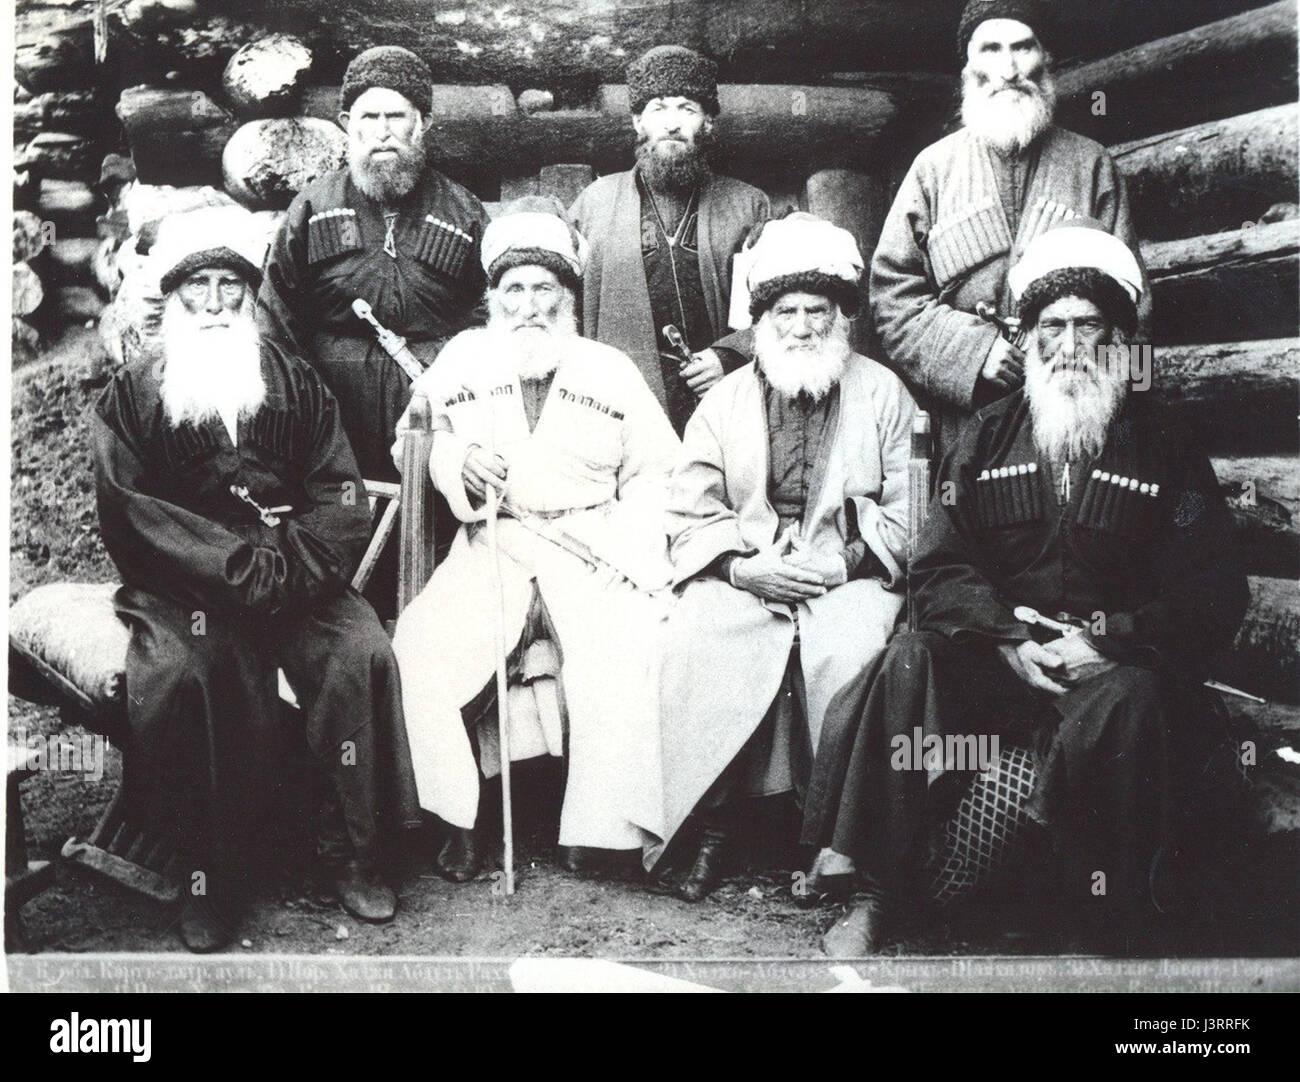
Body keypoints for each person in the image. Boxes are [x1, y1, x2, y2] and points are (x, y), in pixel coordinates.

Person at [808, 222, 1249, 956]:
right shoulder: (982, 436)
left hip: (1112, 671)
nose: (1070, 345)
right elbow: (938, 568)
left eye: (1088, 327)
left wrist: (1108, 642)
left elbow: (1212, 588)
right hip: (1003, 663)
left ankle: (1097, 911)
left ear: (1117, 338)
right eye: (1052, 328)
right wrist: (1010, 642)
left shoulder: (1167, 444)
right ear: (1029, 338)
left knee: (1131, 702)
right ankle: (875, 895)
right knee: (909, 658)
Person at [92, 206, 419, 952]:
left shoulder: (292, 380)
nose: (213, 303)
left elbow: (339, 490)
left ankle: (355, 850)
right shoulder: (134, 394)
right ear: (171, 300)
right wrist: (234, 570)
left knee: (358, 653)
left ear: (249, 294)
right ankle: (208, 875)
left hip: (295, 571)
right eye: (196, 288)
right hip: (191, 583)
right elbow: (134, 513)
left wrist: (295, 567)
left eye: (228, 286)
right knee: (188, 674)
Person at [390, 198, 680, 881]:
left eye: (544, 289)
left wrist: (626, 544)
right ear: (492, 299)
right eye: (513, 290)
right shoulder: (464, 356)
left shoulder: (609, 369)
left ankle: (599, 829)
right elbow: (413, 436)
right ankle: (457, 817)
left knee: (634, 647)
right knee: (420, 650)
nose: (528, 306)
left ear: (568, 298)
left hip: (592, 548)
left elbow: (659, 473)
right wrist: (454, 461)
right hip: (495, 540)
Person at [653, 214, 915, 903]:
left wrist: (847, 564)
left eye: (816, 311)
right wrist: (743, 568)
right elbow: (688, 505)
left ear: (842, 317)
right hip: (750, 564)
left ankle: (832, 843)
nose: (801, 327)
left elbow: (915, 508)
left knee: (854, 647)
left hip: (848, 569)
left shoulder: (884, 392)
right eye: (785, 311)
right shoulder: (726, 400)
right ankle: (711, 829)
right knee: (701, 632)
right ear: (762, 319)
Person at [869, 0, 1147, 455]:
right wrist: (972, 352)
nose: (1009, 68)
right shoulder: (932, 169)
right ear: (968, 68)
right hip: (963, 420)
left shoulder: (1092, 164)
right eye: (991, 50)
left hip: (1075, 415)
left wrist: (1131, 416)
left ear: (1046, 60)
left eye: (1023, 47)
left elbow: (1138, 310)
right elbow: (890, 297)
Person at [258, 46, 490, 483]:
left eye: (396, 116)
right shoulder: (313, 207)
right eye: (368, 118)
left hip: (435, 409)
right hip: (335, 413)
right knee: (349, 519)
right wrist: (294, 408)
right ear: (347, 126)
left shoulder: (463, 212)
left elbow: (486, 316)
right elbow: (278, 318)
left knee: (432, 530)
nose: (382, 131)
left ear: (423, 124)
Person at [570, 45, 770, 436]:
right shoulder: (594, 203)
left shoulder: (748, 205)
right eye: (659, 108)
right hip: (618, 401)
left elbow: (778, 308)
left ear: (708, 123)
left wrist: (729, 356)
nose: (672, 123)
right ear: (637, 121)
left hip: (722, 396)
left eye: (687, 109)